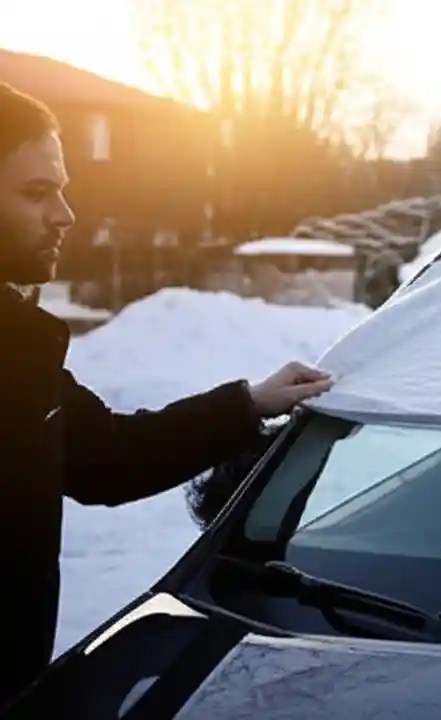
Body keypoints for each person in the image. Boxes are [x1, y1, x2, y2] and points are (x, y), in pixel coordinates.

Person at [0, 81, 335, 704]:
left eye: (63, 190)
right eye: (36, 192)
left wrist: (248, 404)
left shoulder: (18, 348)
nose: (65, 215)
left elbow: (104, 458)